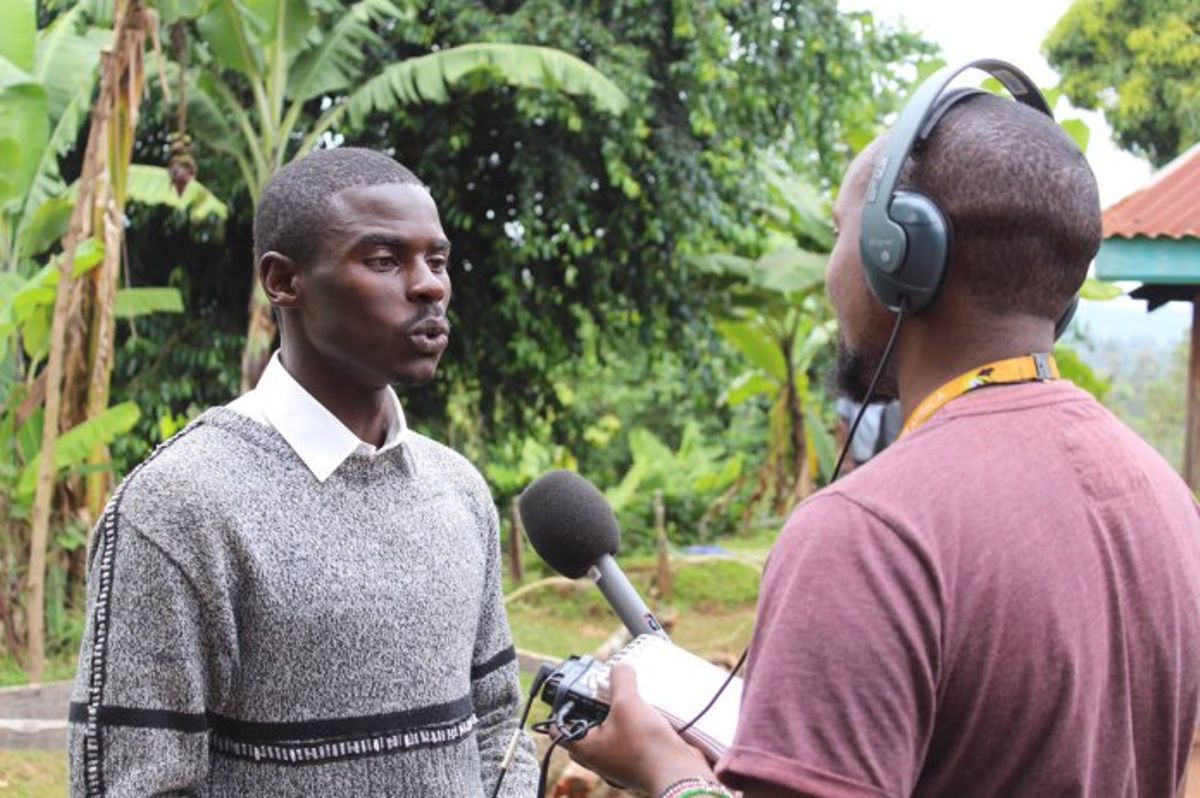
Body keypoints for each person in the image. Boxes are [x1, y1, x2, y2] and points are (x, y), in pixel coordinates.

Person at [563, 73, 1200, 796]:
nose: (832, 270)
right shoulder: (1167, 498)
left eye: (843, 234)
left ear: (899, 254)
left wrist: (670, 772)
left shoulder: (869, 534)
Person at [67, 148, 538, 797]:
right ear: (284, 281)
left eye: (437, 260)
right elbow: (134, 782)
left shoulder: (458, 490)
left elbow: (498, 725)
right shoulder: (181, 506)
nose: (429, 286)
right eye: (384, 260)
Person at [833, 398, 901, 472]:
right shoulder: (849, 395)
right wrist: (846, 458)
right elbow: (843, 423)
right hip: (858, 458)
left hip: (885, 455)